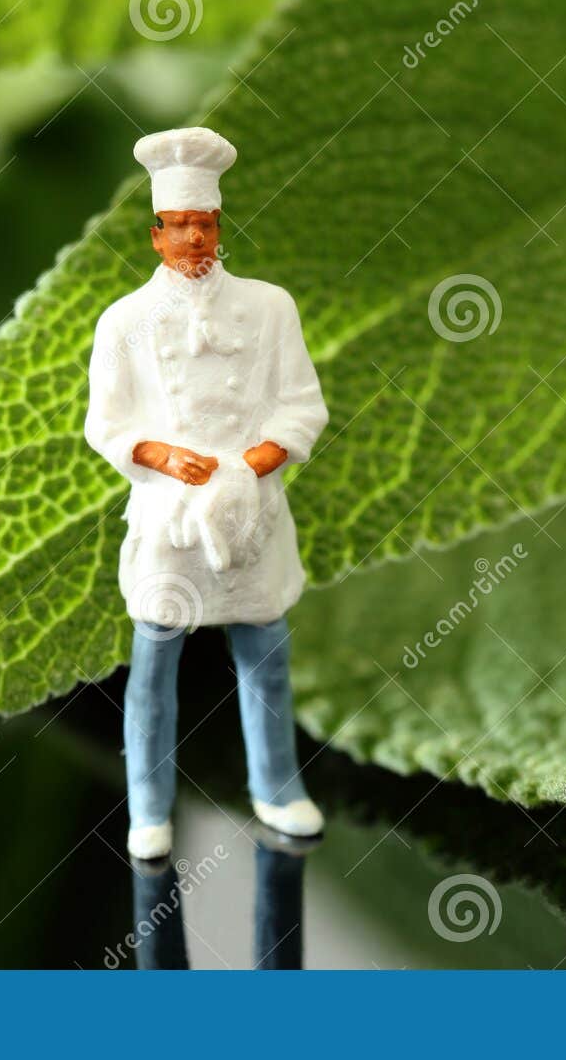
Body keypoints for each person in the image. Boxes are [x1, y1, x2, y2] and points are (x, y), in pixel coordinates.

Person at [84, 127, 329, 859]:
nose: (194, 237)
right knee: (155, 666)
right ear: (156, 235)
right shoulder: (123, 322)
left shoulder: (270, 307)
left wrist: (256, 458)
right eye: (180, 226)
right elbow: (107, 422)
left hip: (251, 512)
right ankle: (151, 807)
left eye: (206, 224)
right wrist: (159, 452)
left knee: (267, 656)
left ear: (220, 228)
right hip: (168, 520)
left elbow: (303, 404)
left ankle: (278, 788)